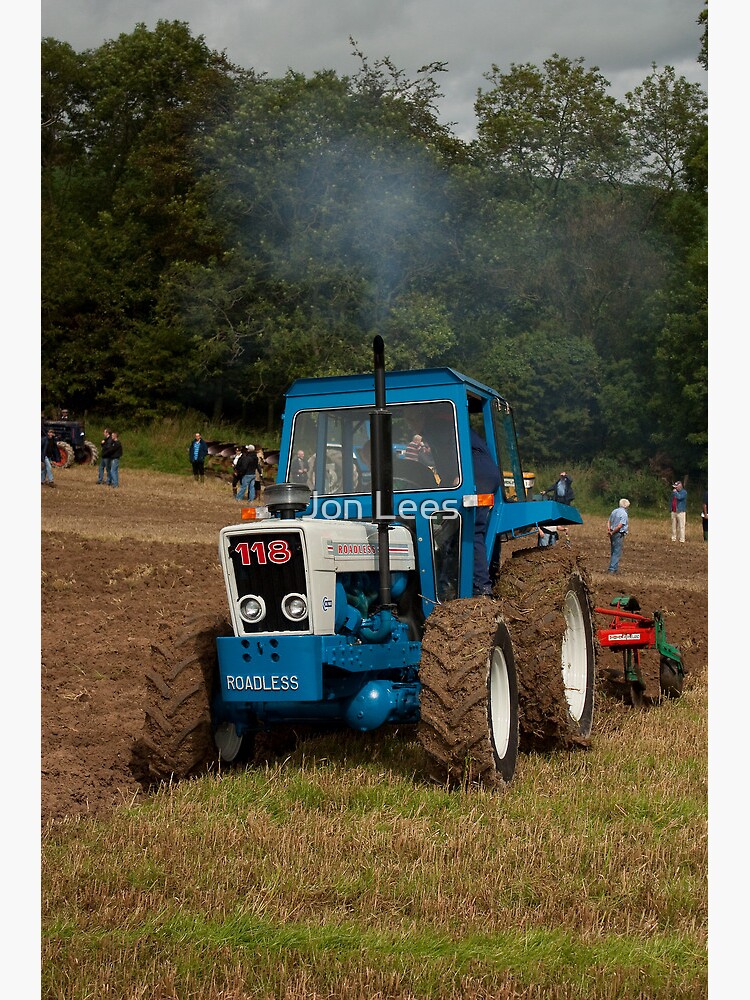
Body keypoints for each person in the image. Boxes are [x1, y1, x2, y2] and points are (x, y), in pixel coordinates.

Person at [469, 427, 502, 596]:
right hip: (482, 473)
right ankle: (491, 573)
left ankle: (481, 588)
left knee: (471, 528)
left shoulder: (440, 425)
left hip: (477, 474)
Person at [607, 498, 630, 574]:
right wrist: (613, 532)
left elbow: (609, 521)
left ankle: (614, 568)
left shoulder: (614, 511)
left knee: (613, 550)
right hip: (618, 533)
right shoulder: (624, 514)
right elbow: (620, 526)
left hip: (612, 532)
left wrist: (609, 530)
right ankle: (612, 569)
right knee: (617, 552)